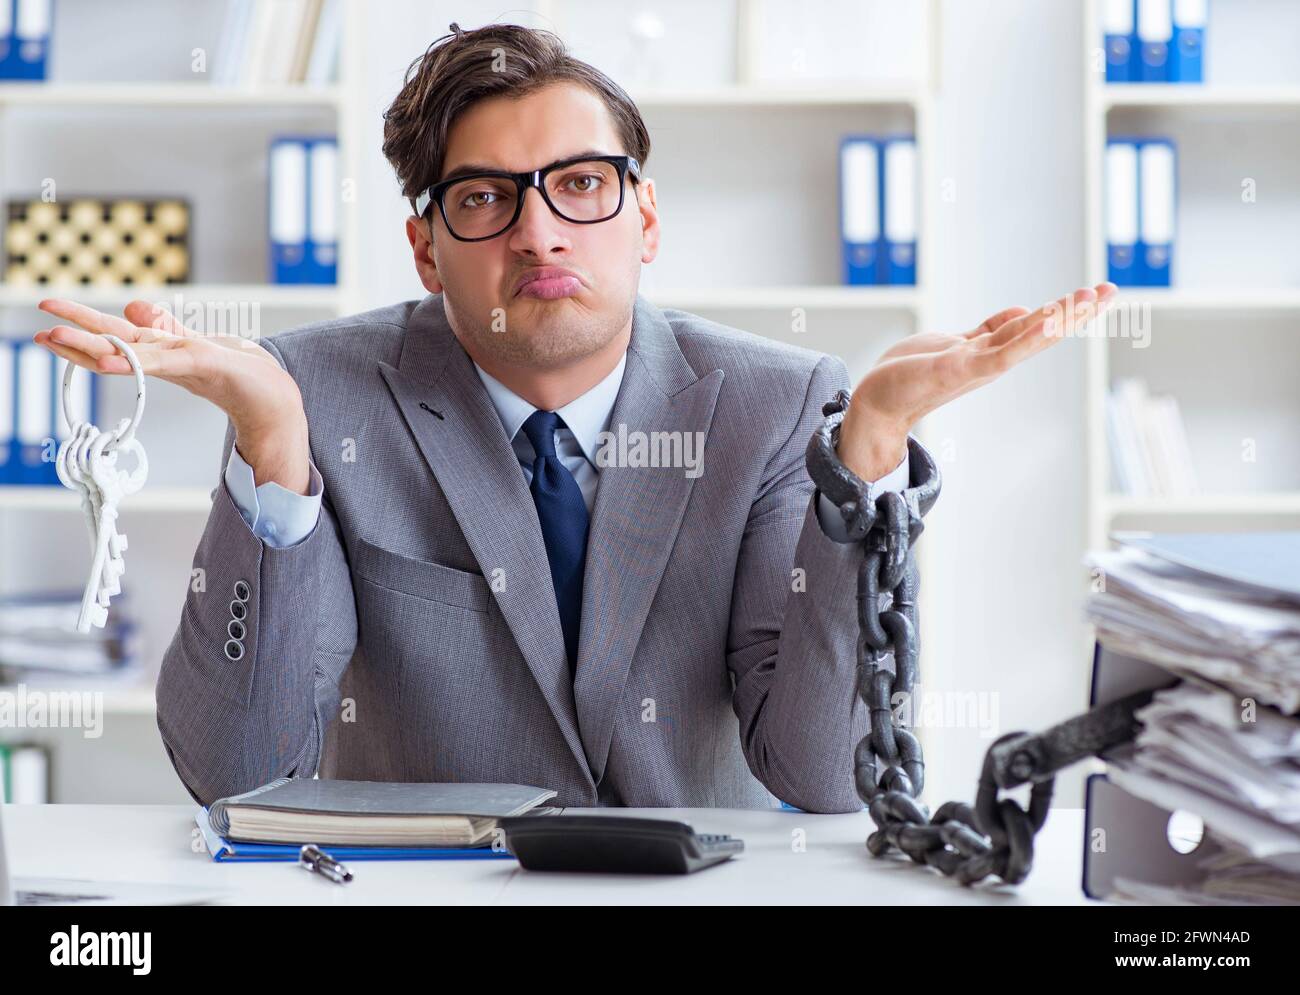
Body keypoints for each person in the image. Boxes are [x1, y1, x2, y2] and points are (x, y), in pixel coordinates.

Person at [34, 23, 1116, 812]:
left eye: (583, 185)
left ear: (645, 219)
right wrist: (274, 451)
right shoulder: (318, 397)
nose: (540, 233)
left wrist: (867, 450)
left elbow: (826, 775)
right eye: (484, 197)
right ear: (426, 250)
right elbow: (236, 772)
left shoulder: (776, 406)